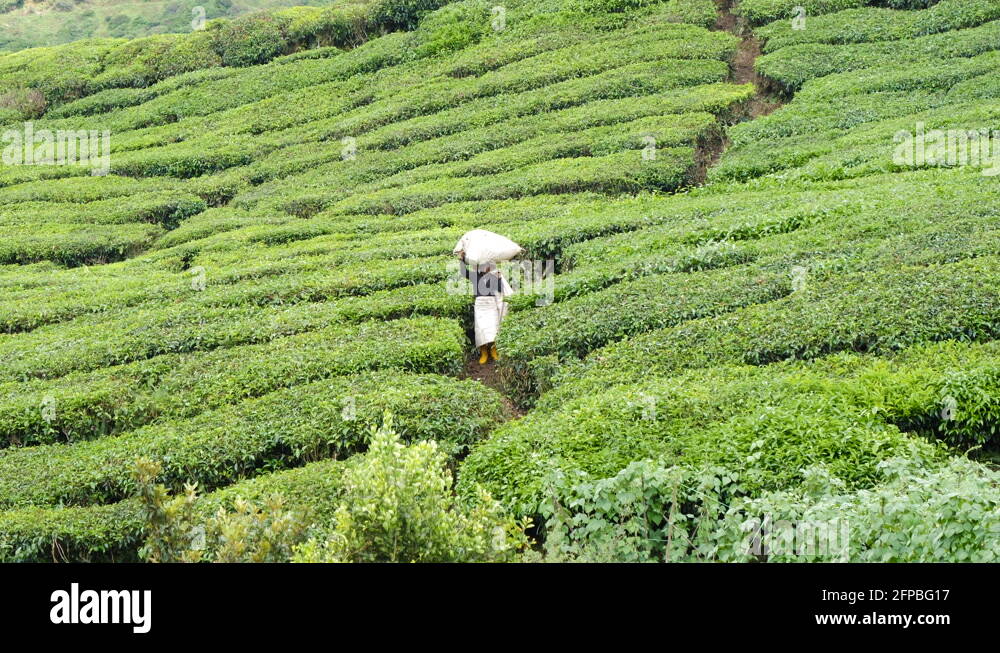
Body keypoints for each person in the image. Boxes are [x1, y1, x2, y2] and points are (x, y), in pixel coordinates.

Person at [458, 252, 511, 364]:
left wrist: (499, 278)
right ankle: (484, 352)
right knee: (481, 329)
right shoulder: (474, 276)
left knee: (493, 328)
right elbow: (463, 272)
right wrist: (461, 259)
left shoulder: (494, 276)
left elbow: (500, 291)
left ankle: (493, 350)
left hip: (491, 305)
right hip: (480, 305)